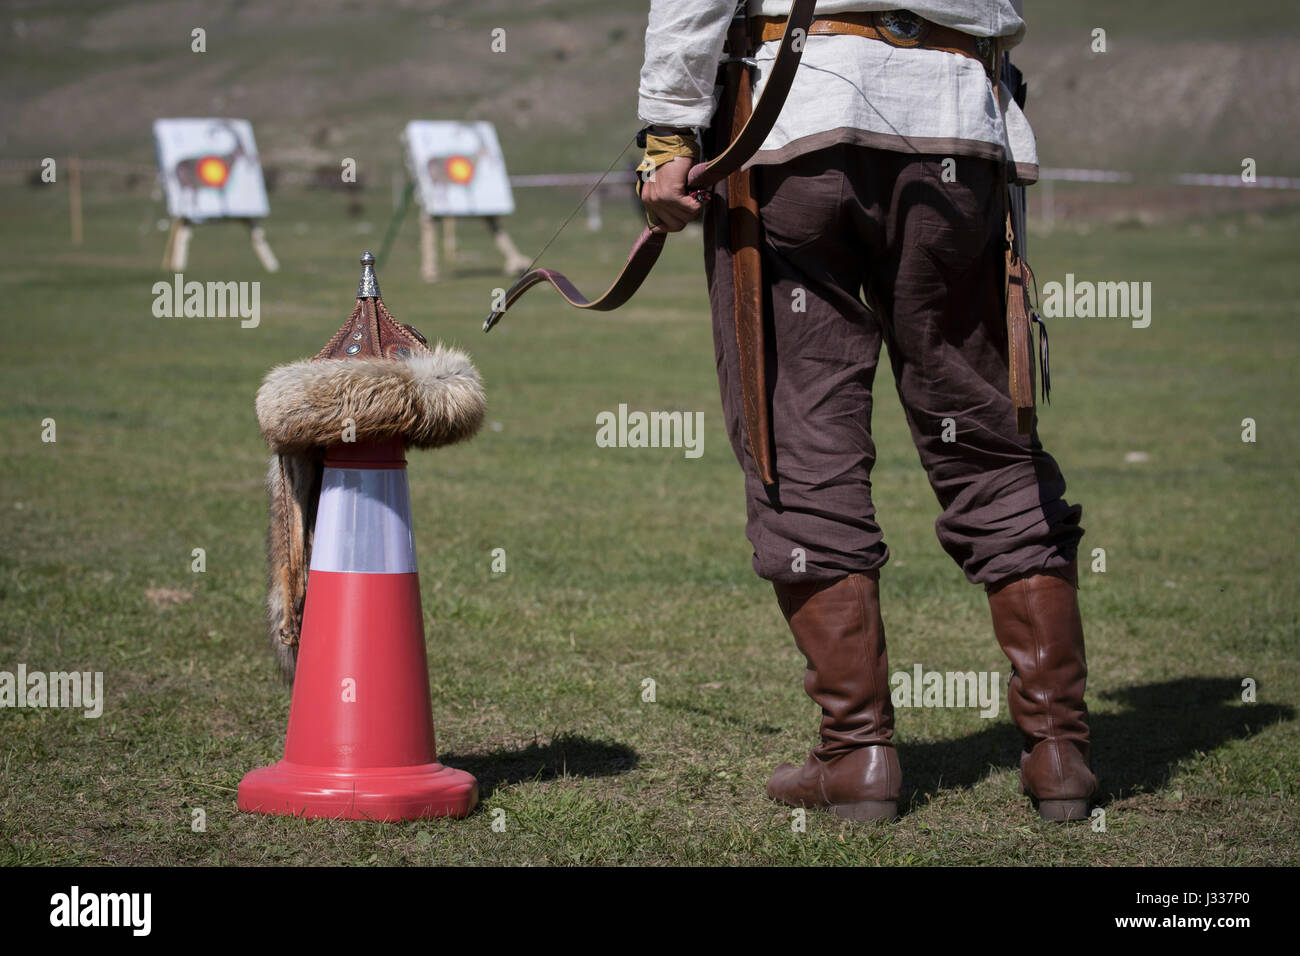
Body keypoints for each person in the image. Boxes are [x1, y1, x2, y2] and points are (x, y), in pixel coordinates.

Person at [636, 1, 1097, 822]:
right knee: (988, 441)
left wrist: (667, 138)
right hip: (957, 128)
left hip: (795, 132)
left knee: (800, 438)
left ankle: (857, 758)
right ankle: (1059, 752)